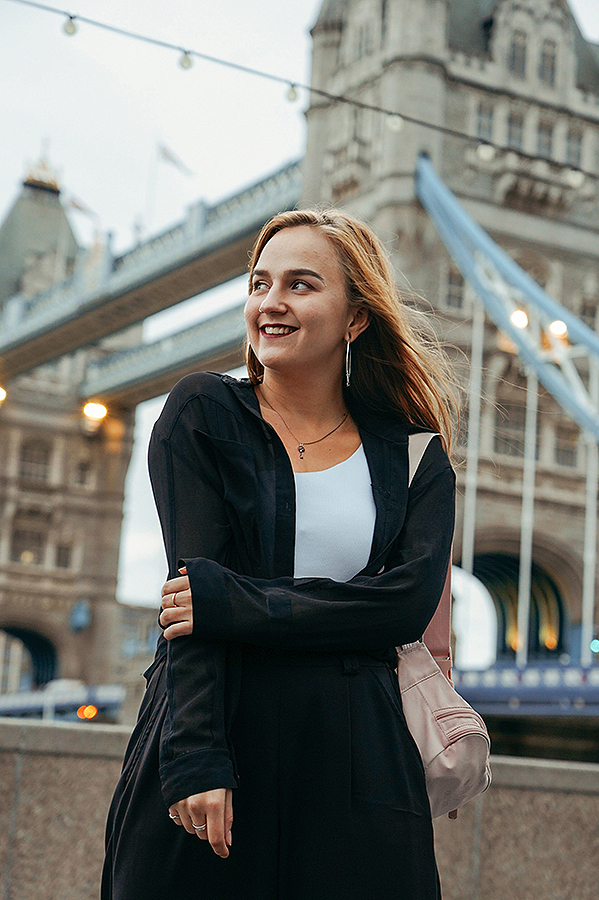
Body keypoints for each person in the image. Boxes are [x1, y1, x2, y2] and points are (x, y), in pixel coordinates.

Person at [101, 208, 458, 900]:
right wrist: (196, 757)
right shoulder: (202, 413)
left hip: (357, 762)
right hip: (220, 741)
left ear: (355, 319)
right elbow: (189, 611)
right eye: (259, 284)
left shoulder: (415, 453)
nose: (270, 302)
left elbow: (402, 607)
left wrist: (231, 600)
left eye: (300, 285)